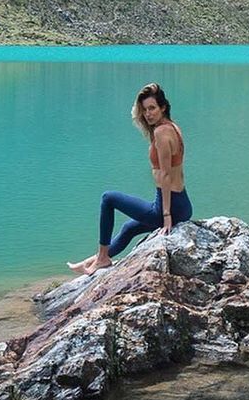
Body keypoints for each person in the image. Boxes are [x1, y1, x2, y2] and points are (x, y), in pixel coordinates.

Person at [67, 82, 193, 275]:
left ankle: (102, 259)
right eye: (144, 110)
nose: (148, 114)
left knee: (108, 198)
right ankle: (94, 259)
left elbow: (166, 175)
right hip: (183, 205)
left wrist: (166, 217)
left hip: (168, 207)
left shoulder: (161, 133)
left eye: (152, 108)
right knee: (128, 228)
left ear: (163, 107)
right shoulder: (173, 127)